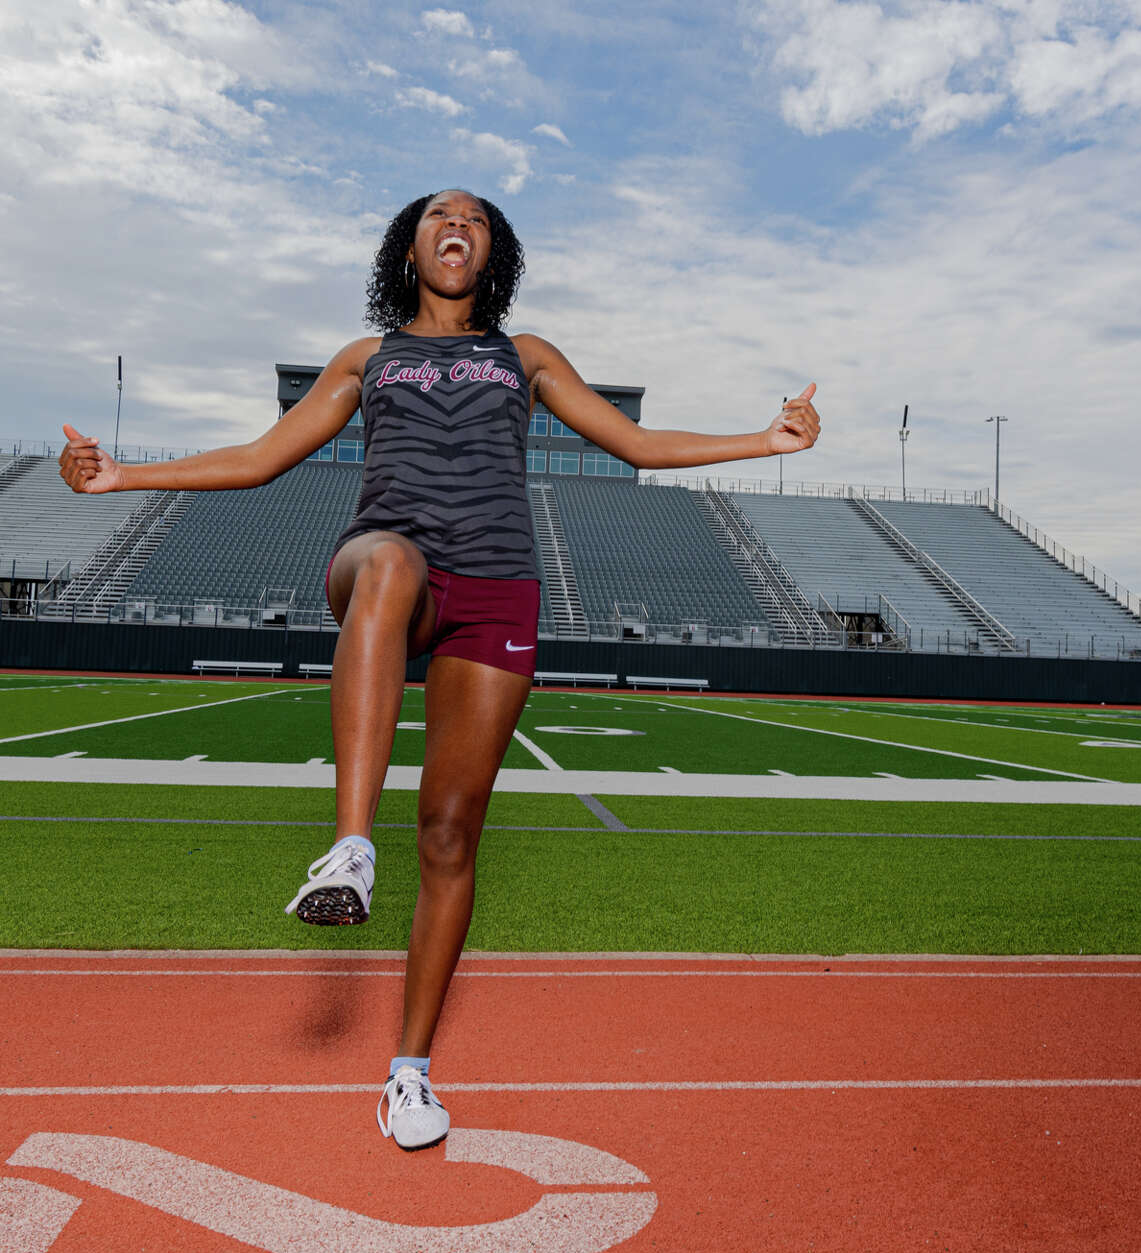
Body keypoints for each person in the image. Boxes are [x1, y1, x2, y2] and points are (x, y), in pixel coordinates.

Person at [58, 188, 822, 1150]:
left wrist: (768, 438)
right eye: (437, 217)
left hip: (497, 589)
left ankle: (409, 1075)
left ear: (490, 251)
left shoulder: (527, 356)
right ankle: (348, 846)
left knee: (454, 833)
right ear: (409, 246)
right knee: (390, 559)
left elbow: (631, 443)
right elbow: (260, 458)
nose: (455, 226)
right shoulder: (368, 358)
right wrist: (121, 475)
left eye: (475, 220)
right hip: (386, 569)